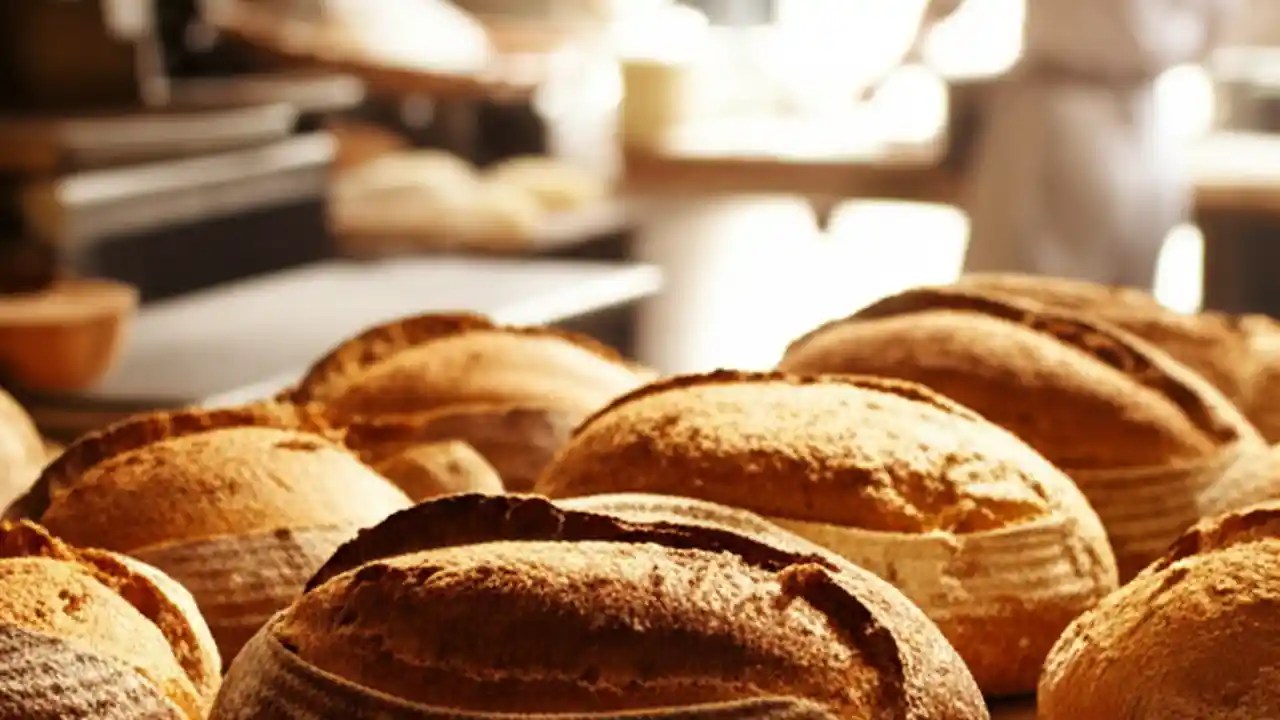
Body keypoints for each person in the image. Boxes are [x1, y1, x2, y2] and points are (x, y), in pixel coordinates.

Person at [960, 0, 1240, 288]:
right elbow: (1215, 24)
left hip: (1089, 108)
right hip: (1123, 110)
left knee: (1033, 299)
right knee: (1107, 302)